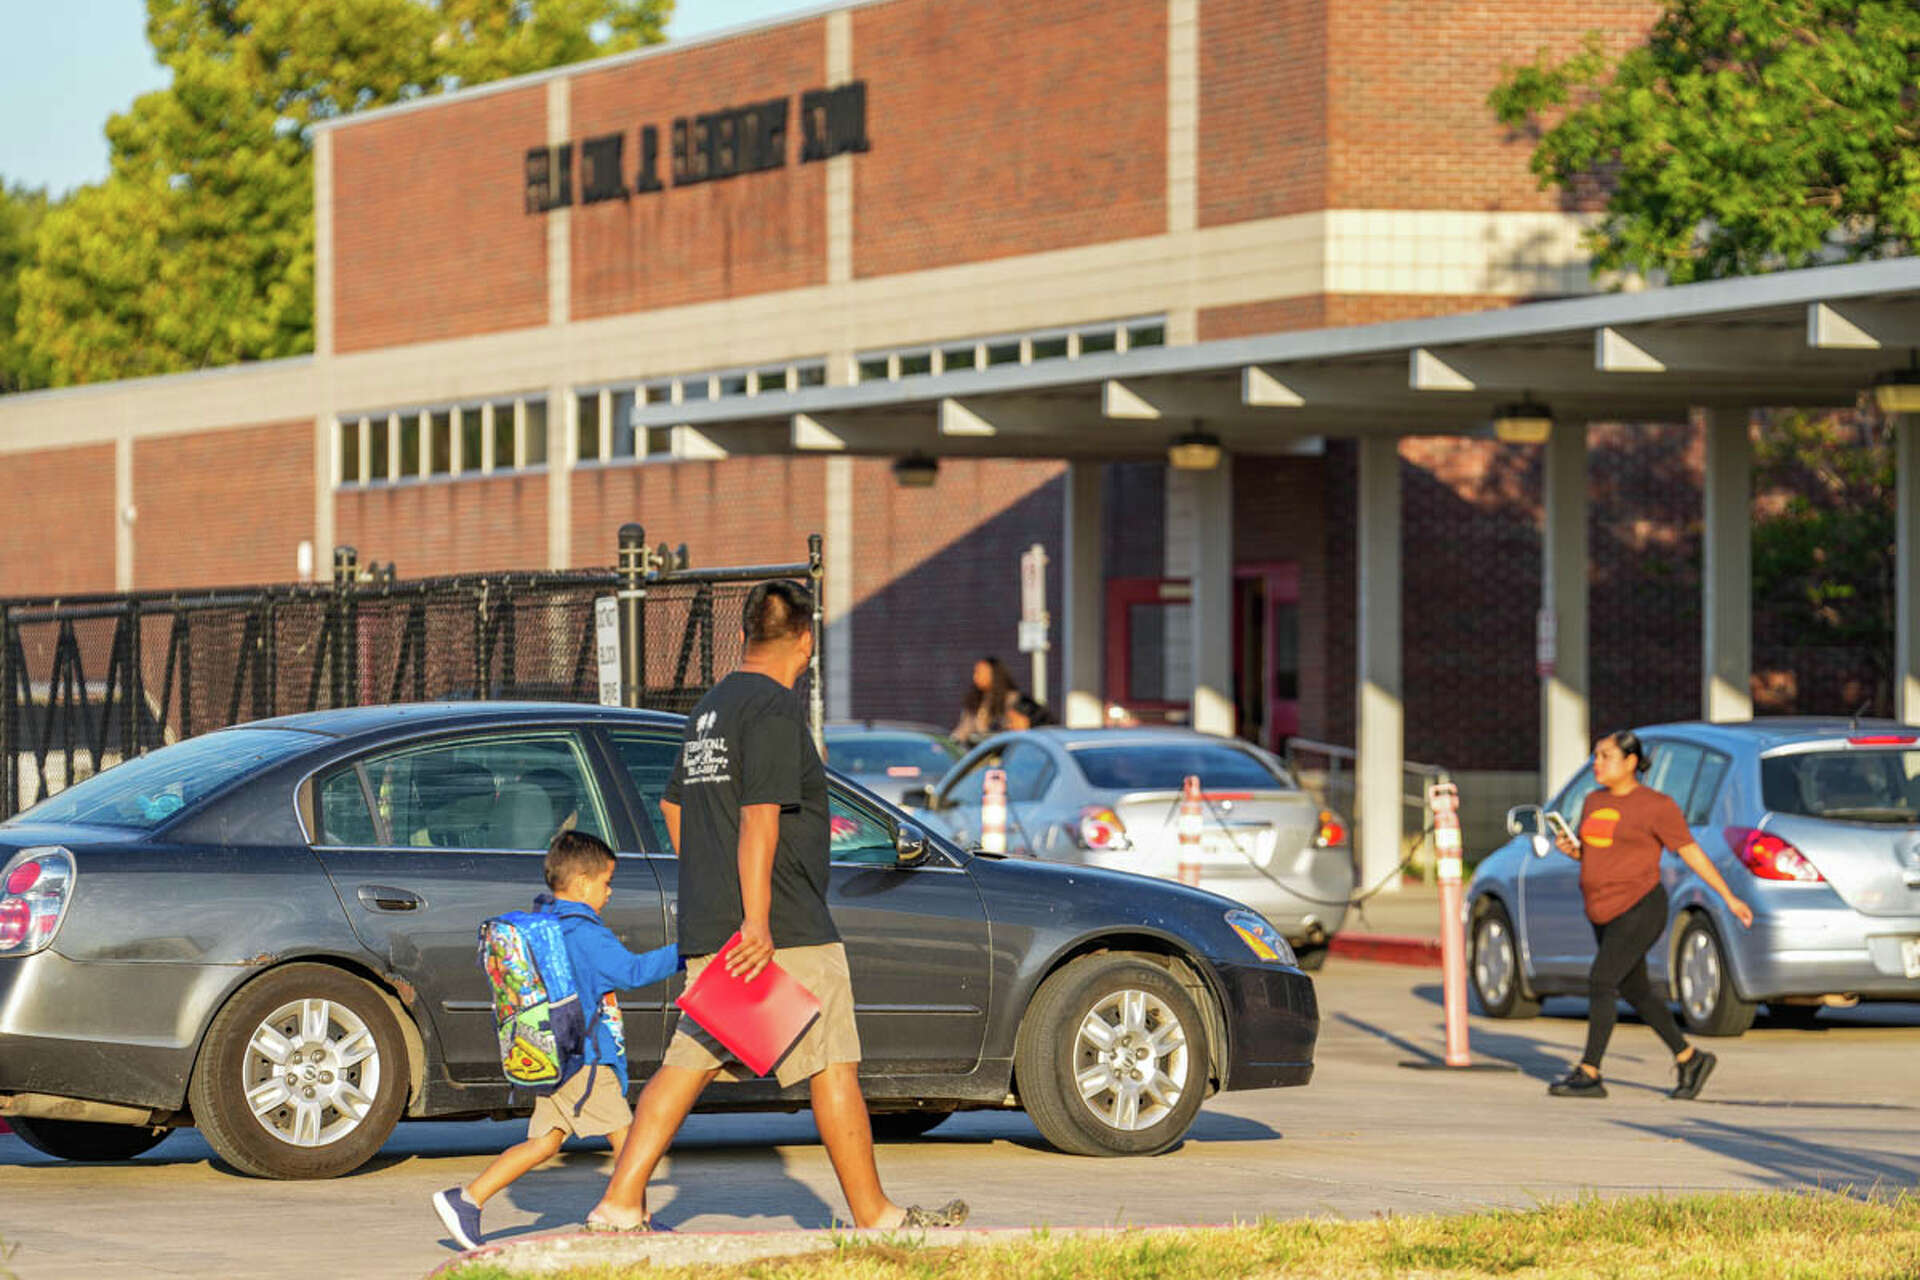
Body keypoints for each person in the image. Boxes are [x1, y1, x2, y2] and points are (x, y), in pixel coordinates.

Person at [587, 579, 966, 1232]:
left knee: (687, 1063)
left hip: (714, 924)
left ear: (743, 637)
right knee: (834, 1065)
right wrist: (756, 919)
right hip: (782, 928)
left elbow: (675, 806)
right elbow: (761, 816)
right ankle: (875, 1216)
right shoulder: (774, 708)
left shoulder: (711, 707)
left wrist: (712, 885)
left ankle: (619, 1203)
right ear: (806, 641)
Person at [432, 831, 680, 1251]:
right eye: (606, 882)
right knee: (629, 1138)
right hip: (585, 1059)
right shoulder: (585, 933)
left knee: (544, 1142)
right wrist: (687, 950)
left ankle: (466, 1199)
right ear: (582, 883)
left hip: (552, 1052)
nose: (609, 892)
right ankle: (634, 1218)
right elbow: (633, 972)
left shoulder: (546, 924)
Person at [1548, 730, 1754, 1101]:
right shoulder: (1593, 800)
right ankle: (1690, 1058)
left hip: (1640, 907)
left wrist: (1728, 896)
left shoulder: (1656, 805)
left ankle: (1590, 1072)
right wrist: (1573, 851)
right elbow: (1599, 853)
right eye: (1595, 756)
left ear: (1630, 763)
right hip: (1601, 909)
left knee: (1601, 980)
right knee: (1636, 989)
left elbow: (1690, 851)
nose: (1597, 763)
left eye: (1605, 757)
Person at [952, 656, 1030, 745]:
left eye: (979, 672)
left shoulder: (1012, 699)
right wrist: (951, 744)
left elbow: (1017, 728)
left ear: (994, 674)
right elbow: (963, 729)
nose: (975, 677)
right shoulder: (976, 701)